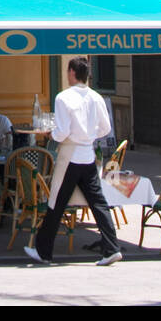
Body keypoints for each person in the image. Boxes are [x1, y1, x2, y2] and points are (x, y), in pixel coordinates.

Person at [24, 58, 122, 266]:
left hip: (70, 154)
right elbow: (105, 129)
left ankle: (44, 251)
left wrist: (52, 135)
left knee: (56, 201)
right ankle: (111, 247)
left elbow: (63, 132)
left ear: (71, 73)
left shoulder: (63, 98)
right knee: (98, 202)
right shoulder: (96, 97)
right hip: (87, 154)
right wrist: (88, 135)